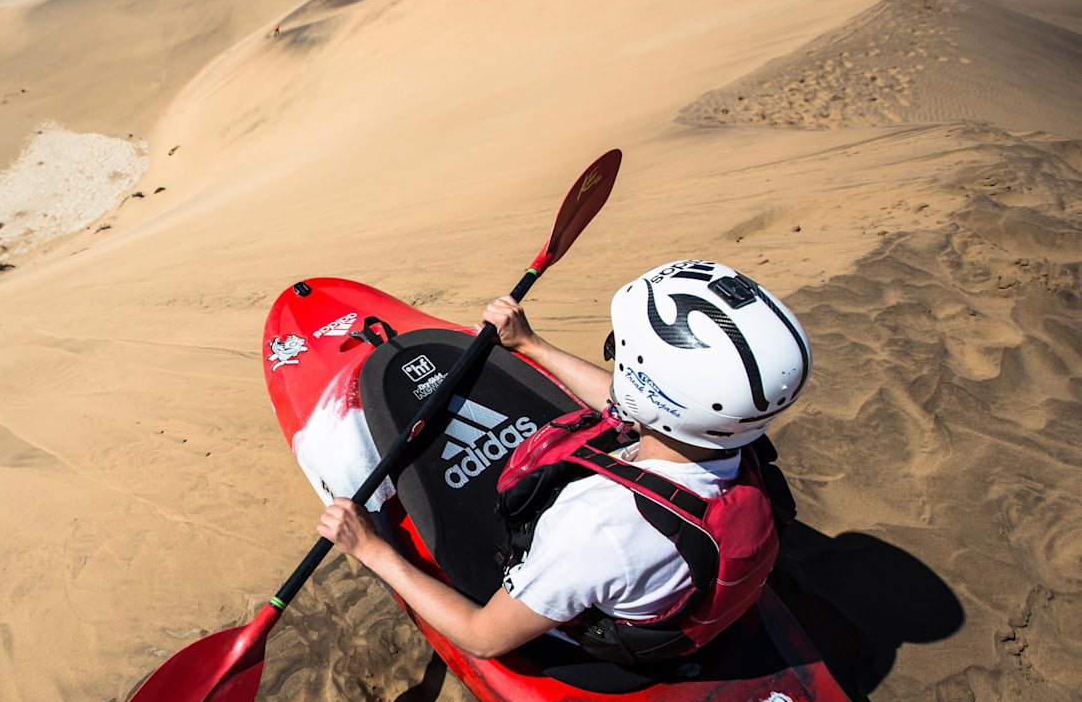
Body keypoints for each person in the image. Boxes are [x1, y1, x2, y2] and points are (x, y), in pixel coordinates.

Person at [316, 261, 811, 667]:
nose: (617, 362)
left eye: (621, 353)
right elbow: (633, 409)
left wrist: (371, 550)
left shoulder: (597, 528)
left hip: (609, 634)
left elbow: (482, 637)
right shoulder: (730, 441)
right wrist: (532, 345)